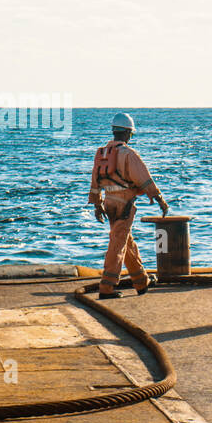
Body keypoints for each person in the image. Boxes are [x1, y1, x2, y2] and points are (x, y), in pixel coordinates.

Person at [88, 112, 168, 299]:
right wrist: (160, 200)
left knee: (125, 241)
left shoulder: (102, 153)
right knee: (118, 244)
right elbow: (145, 179)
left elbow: (95, 181)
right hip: (124, 205)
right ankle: (106, 287)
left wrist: (97, 205)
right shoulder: (129, 154)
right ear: (127, 134)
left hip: (109, 202)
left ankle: (141, 282)